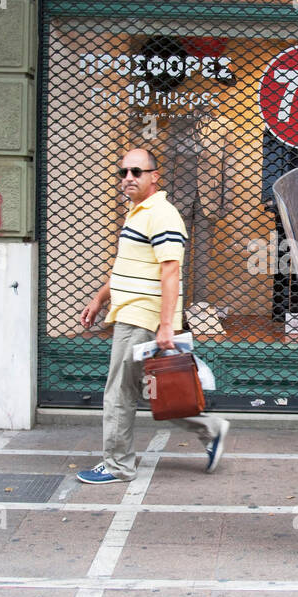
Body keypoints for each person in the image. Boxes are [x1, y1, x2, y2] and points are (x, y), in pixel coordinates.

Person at [77, 148, 230, 484]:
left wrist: (165, 325)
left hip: (142, 318)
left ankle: (118, 464)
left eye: (136, 172)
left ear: (154, 177)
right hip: (132, 313)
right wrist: (100, 298)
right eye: (124, 173)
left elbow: (171, 270)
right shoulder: (137, 212)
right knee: (157, 391)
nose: (128, 178)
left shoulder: (162, 214)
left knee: (119, 391)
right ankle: (210, 430)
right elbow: (126, 267)